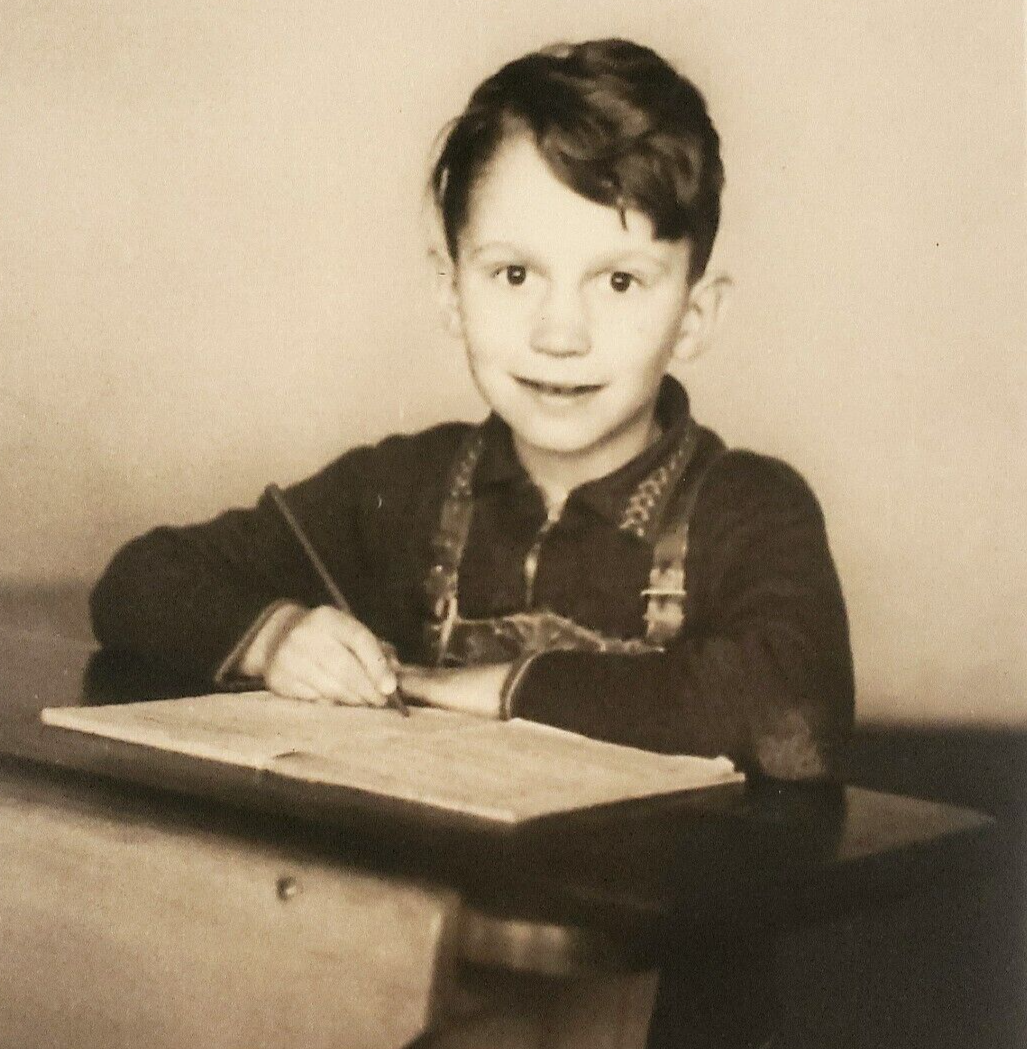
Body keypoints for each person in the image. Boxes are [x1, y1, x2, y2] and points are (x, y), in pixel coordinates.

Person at [91, 39, 853, 1045]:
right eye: (511, 274)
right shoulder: (403, 488)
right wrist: (275, 634)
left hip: (672, 1019)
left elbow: (789, 714)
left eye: (619, 282)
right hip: (425, 993)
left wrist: (493, 686)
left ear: (695, 313)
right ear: (450, 288)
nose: (558, 331)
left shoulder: (748, 508)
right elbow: (139, 581)